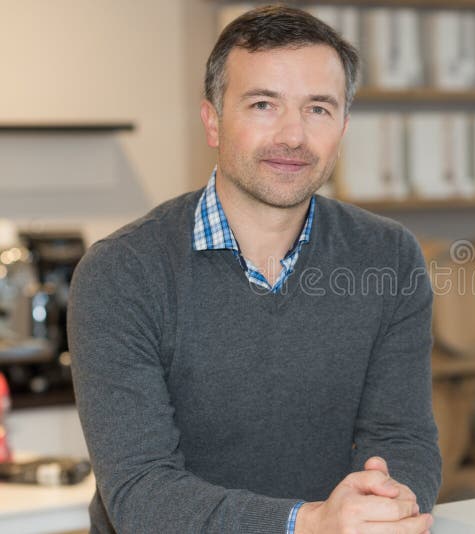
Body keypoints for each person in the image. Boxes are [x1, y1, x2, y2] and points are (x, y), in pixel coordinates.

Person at [67, 6, 440, 533]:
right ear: (213, 121)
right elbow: (140, 493)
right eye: (264, 104)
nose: (293, 136)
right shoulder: (120, 274)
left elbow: (403, 437)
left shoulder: (389, 255)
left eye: (318, 109)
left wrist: (387, 500)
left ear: (343, 125)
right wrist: (307, 523)